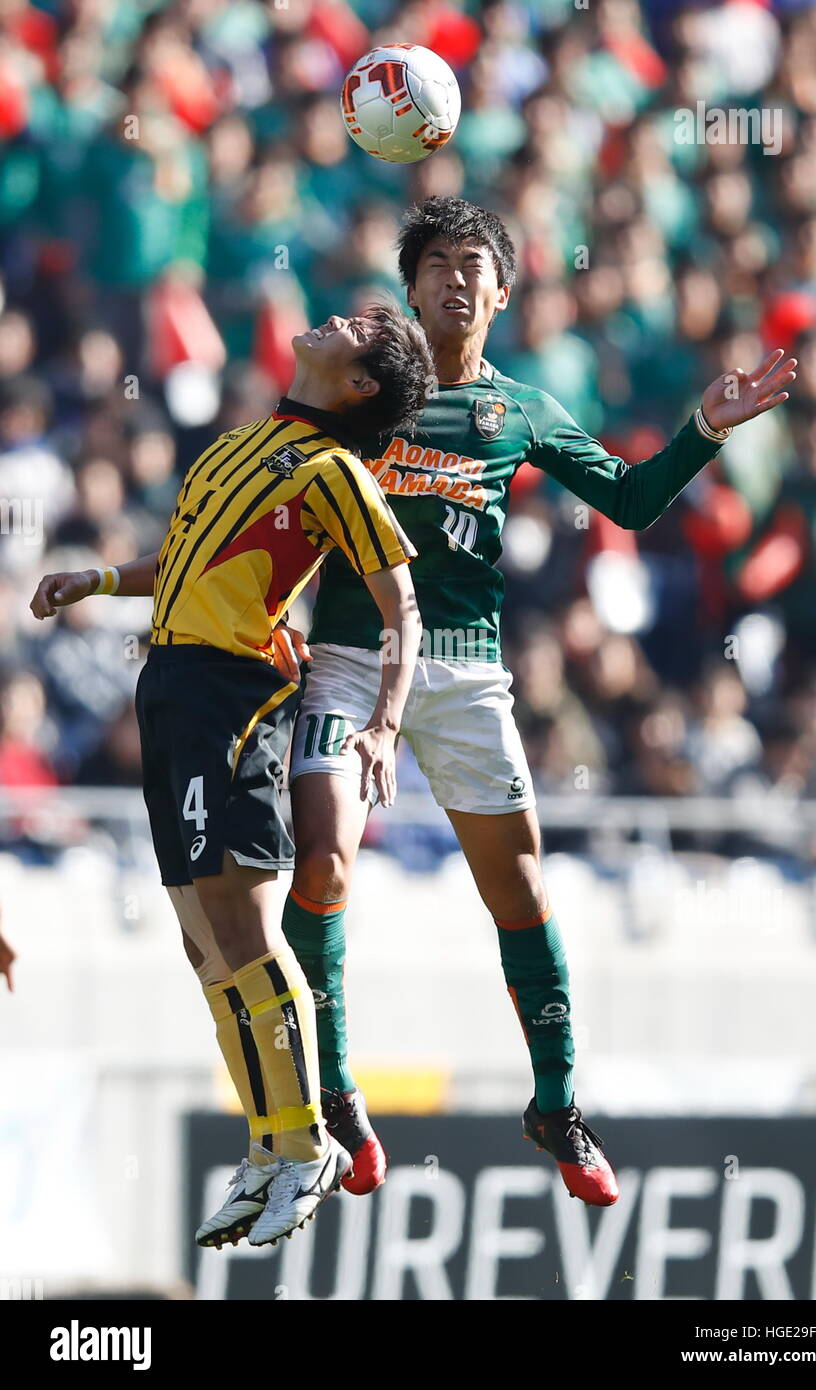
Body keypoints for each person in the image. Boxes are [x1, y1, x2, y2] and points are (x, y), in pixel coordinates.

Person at [279, 198, 796, 1206]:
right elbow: (283, 498)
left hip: (466, 671)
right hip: (349, 656)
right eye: (434, 262)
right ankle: (335, 1089)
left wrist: (703, 428)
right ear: (410, 286)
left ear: (503, 292)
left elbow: (632, 501)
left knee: (516, 890)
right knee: (325, 856)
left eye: (473, 263)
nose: (454, 278)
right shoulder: (356, 395)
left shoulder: (518, 411)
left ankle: (554, 1104)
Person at [30, 301, 433, 1247]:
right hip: (169, 683)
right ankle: (268, 1143)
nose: (333, 317)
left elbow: (399, 602)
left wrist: (385, 720)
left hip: (234, 690)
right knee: (204, 941)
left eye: (358, 326)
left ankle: (308, 1144)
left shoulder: (335, 470)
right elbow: (180, 560)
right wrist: (94, 581)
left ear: (363, 382)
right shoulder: (238, 444)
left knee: (247, 922)